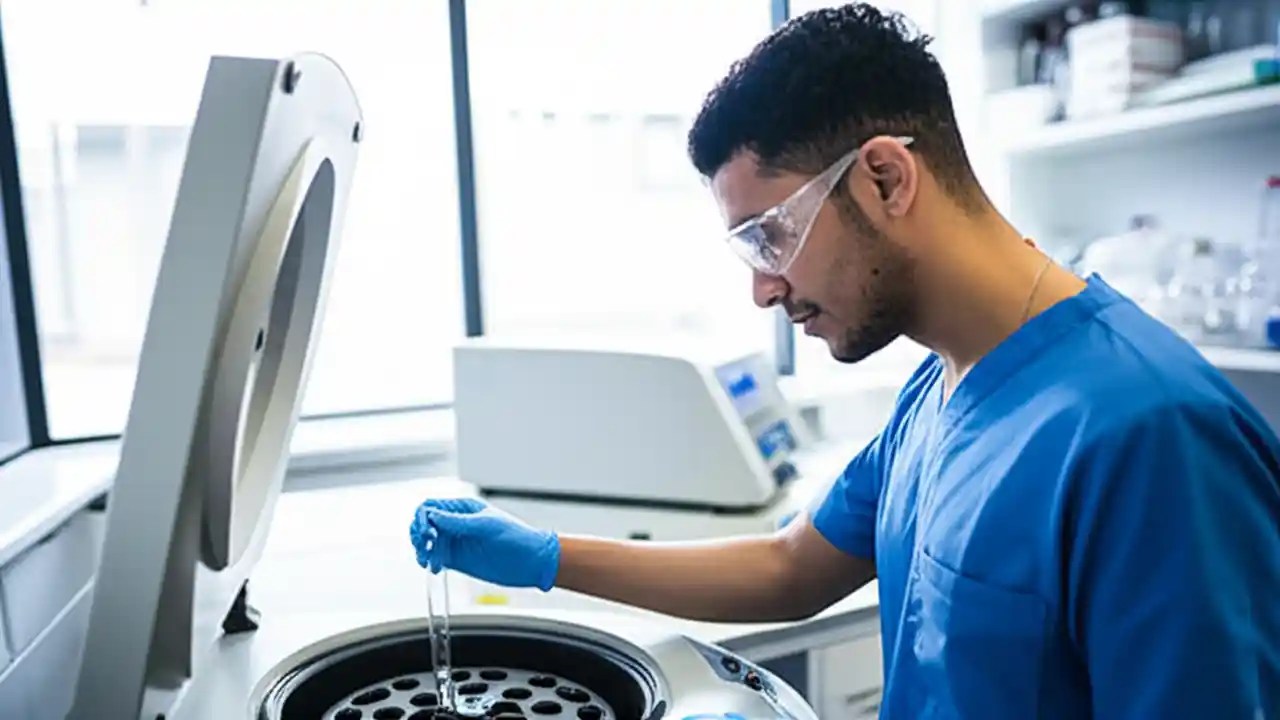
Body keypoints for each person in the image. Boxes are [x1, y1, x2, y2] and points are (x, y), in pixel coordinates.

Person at [409, 4, 1280, 717]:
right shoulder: (938, 390)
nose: (763, 290)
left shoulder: (1153, 438)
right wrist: (546, 557)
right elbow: (791, 568)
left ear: (887, 178)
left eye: (770, 237)